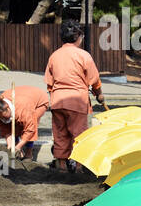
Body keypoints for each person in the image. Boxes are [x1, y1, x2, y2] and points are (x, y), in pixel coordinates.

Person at [43, 21, 104, 172]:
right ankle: (79, 166)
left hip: (57, 100)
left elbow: (49, 83)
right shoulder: (83, 55)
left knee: (60, 133)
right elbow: (94, 80)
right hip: (77, 100)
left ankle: (62, 165)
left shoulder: (54, 56)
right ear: (78, 37)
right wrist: (99, 95)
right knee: (79, 134)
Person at [0, 85, 48, 160]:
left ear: (8, 108)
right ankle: (18, 151)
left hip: (39, 101)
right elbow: (5, 129)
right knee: (12, 125)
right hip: (22, 96)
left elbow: (30, 130)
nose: (2, 119)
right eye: (0, 118)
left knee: (30, 124)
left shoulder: (24, 109)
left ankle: (28, 154)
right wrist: (10, 145)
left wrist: (18, 146)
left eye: (4, 117)